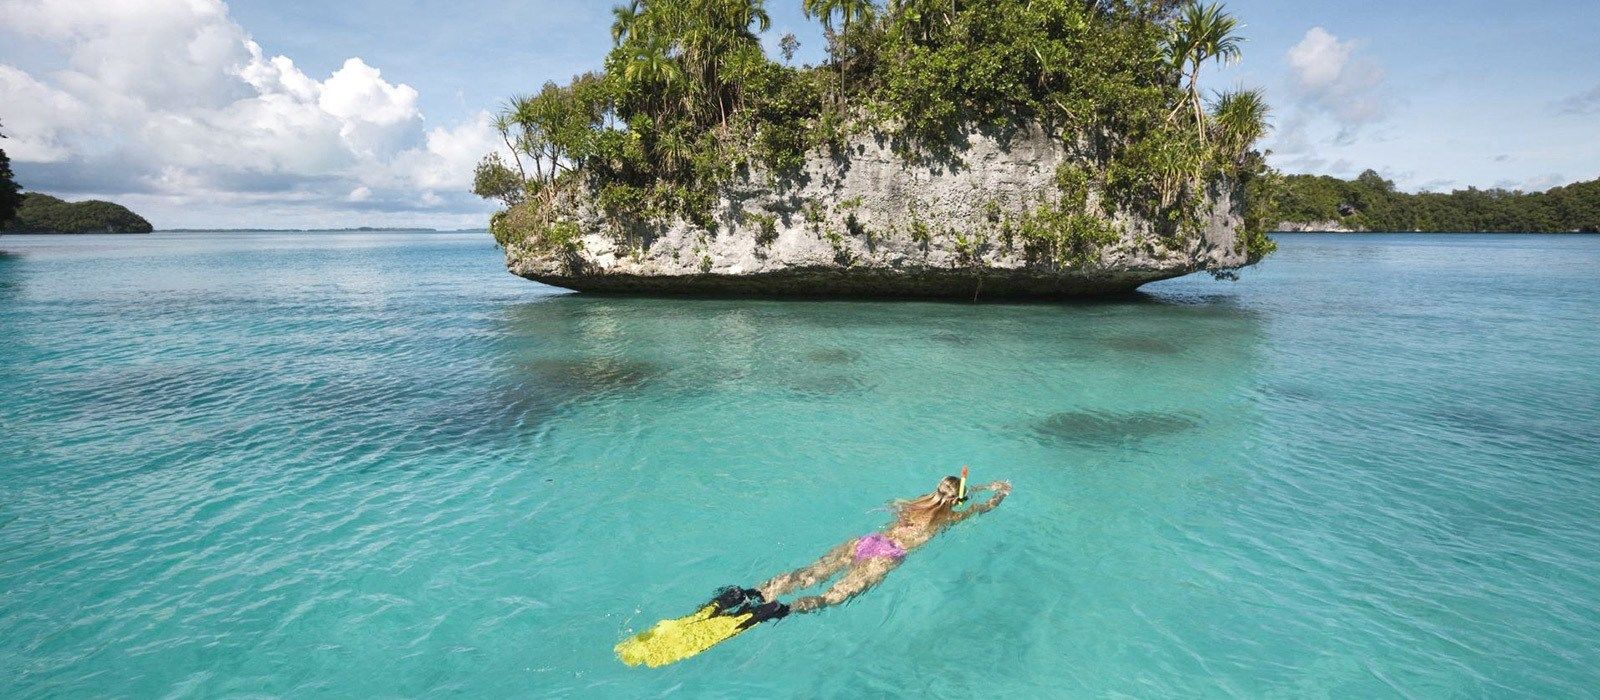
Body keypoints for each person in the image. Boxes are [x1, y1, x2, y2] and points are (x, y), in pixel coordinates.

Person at [717, 475, 1011, 626]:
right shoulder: (951, 517)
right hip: (887, 556)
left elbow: (941, 496)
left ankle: (750, 593)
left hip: (868, 541)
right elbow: (983, 507)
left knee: (807, 574)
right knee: (832, 595)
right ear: (957, 500)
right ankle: (781, 608)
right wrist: (997, 492)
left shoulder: (911, 504)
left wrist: (968, 489)